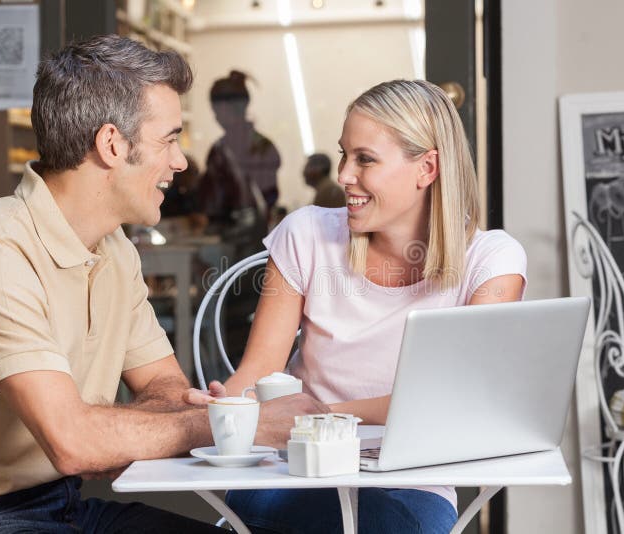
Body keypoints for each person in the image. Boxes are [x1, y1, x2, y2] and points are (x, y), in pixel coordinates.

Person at [0, 35, 325, 533]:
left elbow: (163, 385)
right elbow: (75, 444)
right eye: (169, 140)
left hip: (66, 503)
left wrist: (122, 430)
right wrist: (242, 424)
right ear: (112, 144)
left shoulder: (115, 249)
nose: (181, 162)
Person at [216, 80, 527, 533]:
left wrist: (325, 414)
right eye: (344, 154)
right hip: (302, 466)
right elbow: (257, 373)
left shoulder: (491, 260)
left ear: (427, 168)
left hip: (413, 480)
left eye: (365, 159)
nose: (343, 174)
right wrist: (225, 405)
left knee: (388, 523)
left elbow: (455, 402)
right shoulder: (305, 235)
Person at [205, 70, 281, 214]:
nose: (215, 116)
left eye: (216, 109)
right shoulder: (264, 146)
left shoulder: (220, 150)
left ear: (228, 107)